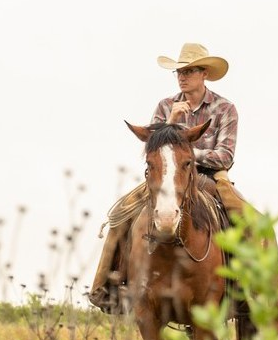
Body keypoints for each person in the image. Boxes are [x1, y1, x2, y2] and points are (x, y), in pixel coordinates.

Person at [88, 42, 261, 313]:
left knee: (245, 218)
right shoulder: (165, 106)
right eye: (179, 72)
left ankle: (246, 289)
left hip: (210, 177)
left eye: (189, 71)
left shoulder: (225, 108)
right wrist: (171, 123)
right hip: (166, 177)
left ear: (204, 73)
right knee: (121, 213)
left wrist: (185, 154)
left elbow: (224, 155)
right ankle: (107, 287)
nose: (182, 76)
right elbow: (154, 149)